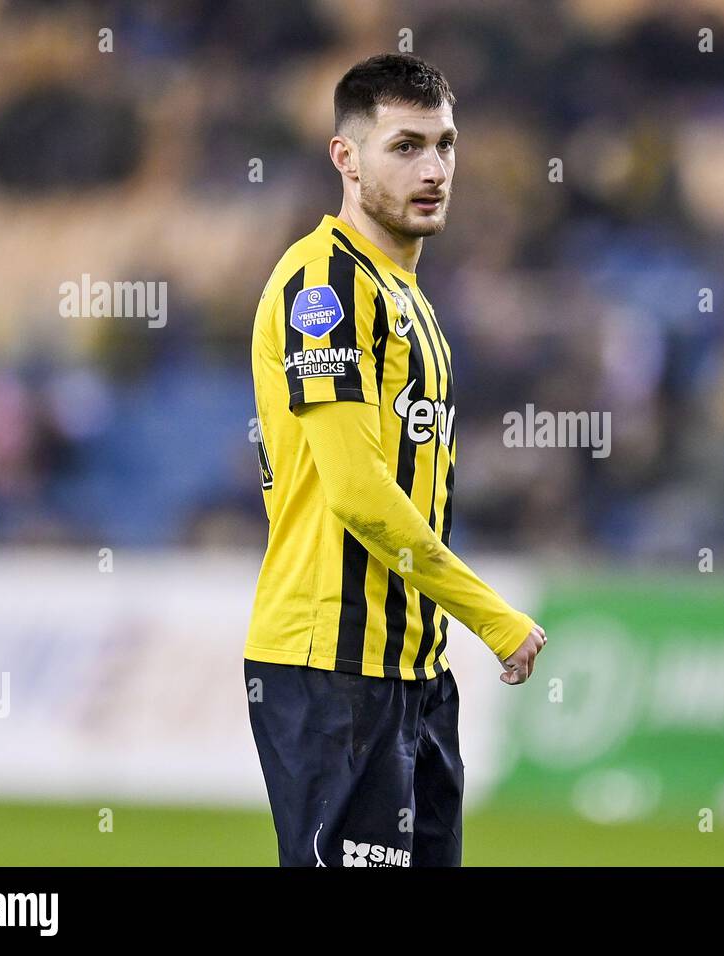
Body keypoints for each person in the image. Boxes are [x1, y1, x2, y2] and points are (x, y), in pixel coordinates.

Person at [244, 53, 546, 868]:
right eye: (405, 146)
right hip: (332, 668)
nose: (435, 169)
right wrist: (490, 613)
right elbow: (357, 493)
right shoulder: (325, 287)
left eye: (446, 145)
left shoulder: (408, 299)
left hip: (411, 670)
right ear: (345, 158)